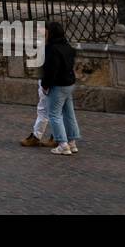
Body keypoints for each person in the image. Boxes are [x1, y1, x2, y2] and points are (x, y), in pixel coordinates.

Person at [41, 20, 80, 155]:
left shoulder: (52, 49)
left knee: (54, 114)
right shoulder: (68, 47)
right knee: (69, 113)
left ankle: (62, 144)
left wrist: (45, 85)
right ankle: (72, 142)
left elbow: (51, 70)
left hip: (58, 85)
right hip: (69, 83)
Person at [19, 79, 55, 148]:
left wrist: (45, 84)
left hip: (52, 81)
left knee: (46, 111)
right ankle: (63, 139)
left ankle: (38, 136)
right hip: (63, 81)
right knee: (57, 111)